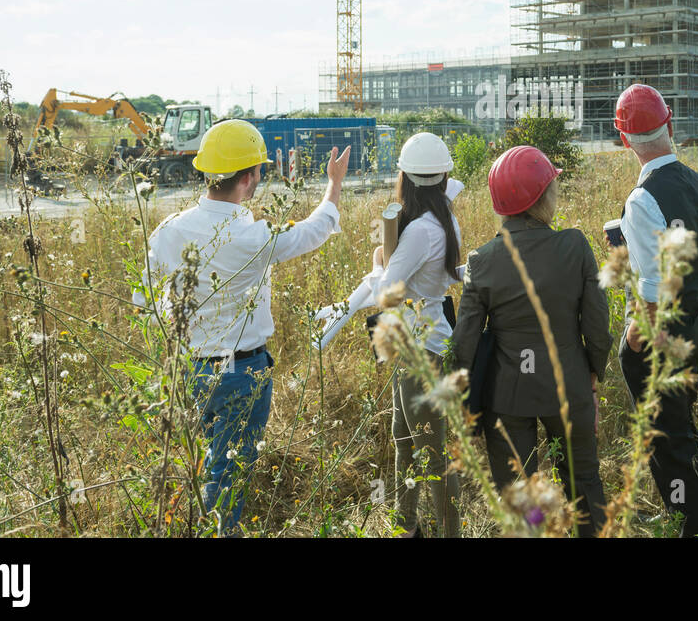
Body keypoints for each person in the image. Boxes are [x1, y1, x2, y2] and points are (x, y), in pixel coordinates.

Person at [132, 119, 349, 535]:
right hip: (240, 376)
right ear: (250, 178)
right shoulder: (252, 237)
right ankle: (222, 531)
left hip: (189, 370)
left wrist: (183, 321)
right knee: (229, 470)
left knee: (203, 464)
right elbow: (314, 231)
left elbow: (143, 301)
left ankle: (204, 527)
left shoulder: (168, 229)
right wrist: (333, 184)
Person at [453, 145, 612, 537]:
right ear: (544, 197)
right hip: (569, 384)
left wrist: (461, 405)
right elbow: (597, 324)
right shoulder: (575, 246)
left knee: (520, 501)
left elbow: (464, 343)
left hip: (507, 396)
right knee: (585, 487)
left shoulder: (483, 260)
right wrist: (593, 374)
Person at [611, 84, 698, 537]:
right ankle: (692, 514)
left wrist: (634, 341)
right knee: (679, 429)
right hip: (695, 328)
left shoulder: (641, 201)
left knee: (667, 440)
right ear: (670, 125)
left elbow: (656, 295)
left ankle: (696, 527)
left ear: (624, 140)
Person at [361, 132, 463, 538]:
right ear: (441, 178)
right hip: (417, 346)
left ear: (403, 177)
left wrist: (376, 261)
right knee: (403, 441)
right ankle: (406, 528)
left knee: (433, 458)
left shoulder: (422, 229)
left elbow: (387, 294)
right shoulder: (442, 216)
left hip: (422, 352)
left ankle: (447, 533)